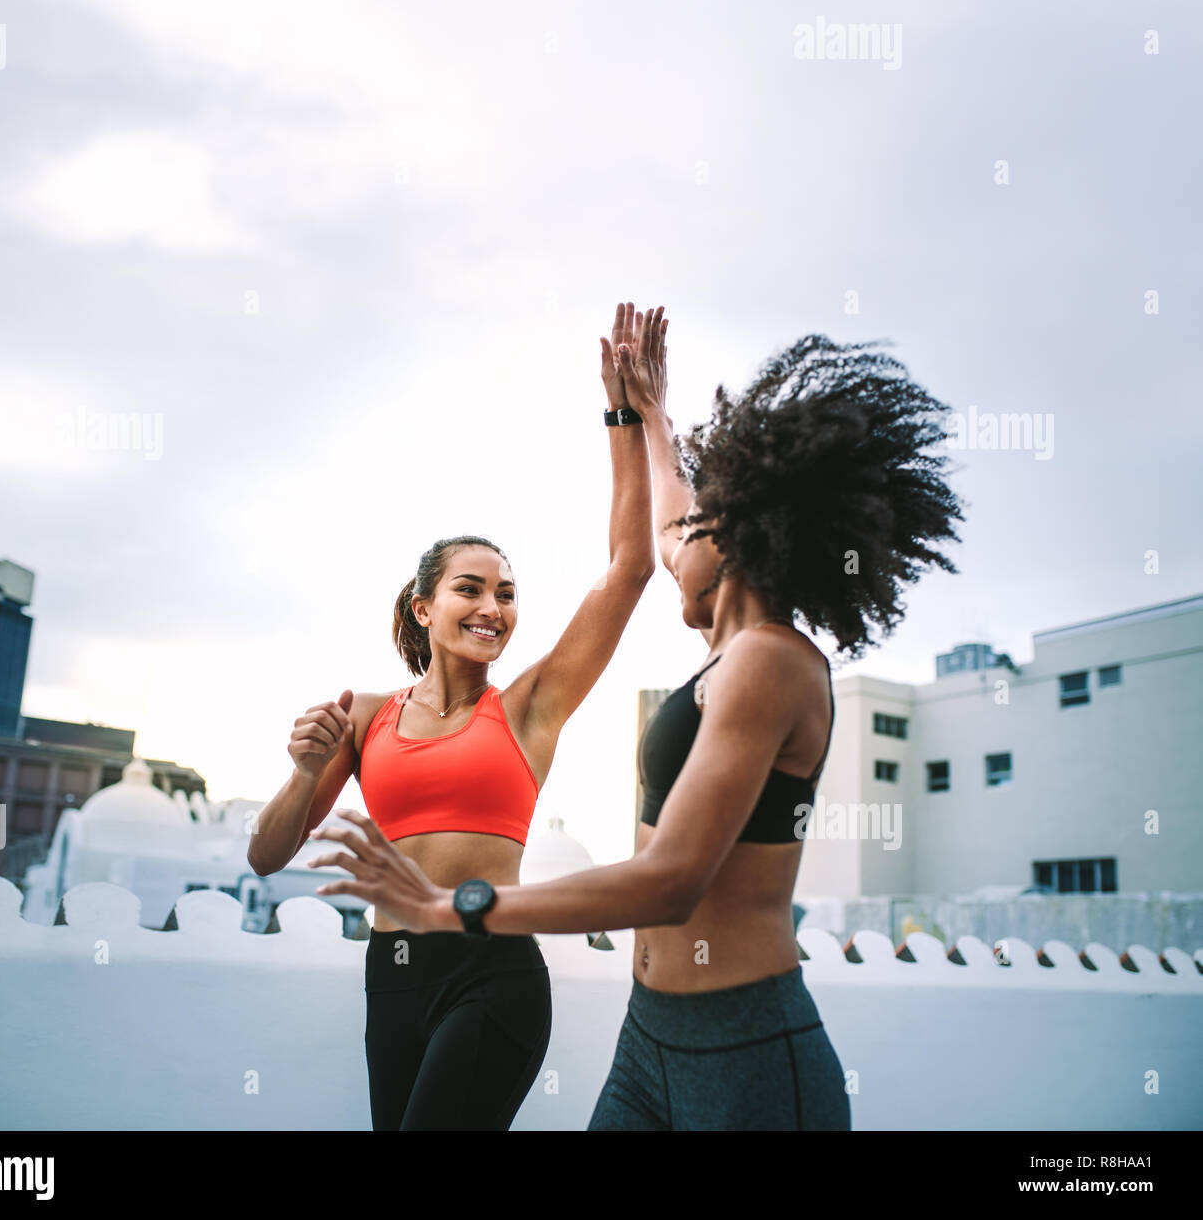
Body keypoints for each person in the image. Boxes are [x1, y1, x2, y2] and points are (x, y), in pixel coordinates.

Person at [307, 312, 966, 1130]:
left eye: (693, 527)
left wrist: (458, 907)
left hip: (745, 1047)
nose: (675, 534)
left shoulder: (770, 658)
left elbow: (671, 880)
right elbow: (657, 526)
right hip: (648, 1035)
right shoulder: (728, 647)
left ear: (732, 543)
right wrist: (644, 412)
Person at [247, 303, 658, 1130]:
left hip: (492, 972)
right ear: (424, 605)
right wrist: (303, 773)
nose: (494, 606)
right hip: (390, 972)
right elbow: (264, 856)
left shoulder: (531, 707)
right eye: (470, 588)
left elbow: (630, 566)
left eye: (507, 593)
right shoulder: (362, 716)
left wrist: (626, 415)